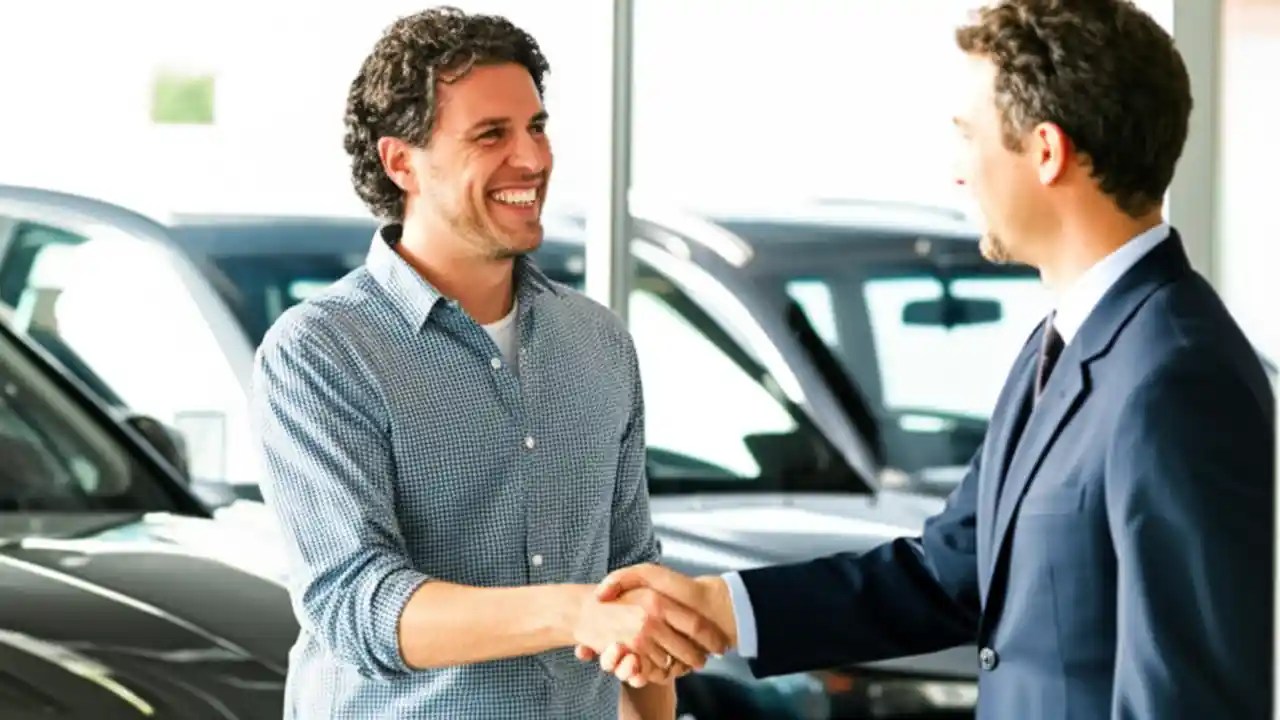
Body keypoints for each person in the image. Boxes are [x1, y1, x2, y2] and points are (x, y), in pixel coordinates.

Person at [581, 1, 1277, 717]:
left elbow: (1191, 700)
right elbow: (949, 573)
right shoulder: (1067, 344)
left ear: (1046, 150)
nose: (956, 172)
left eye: (968, 136)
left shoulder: (1173, 376)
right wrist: (717, 606)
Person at [250, 8, 726, 719]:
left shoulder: (598, 342)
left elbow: (632, 579)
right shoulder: (320, 352)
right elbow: (354, 604)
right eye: (490, 135)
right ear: (400, 161)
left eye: (535, 126)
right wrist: (572, 613)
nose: (532, 160)